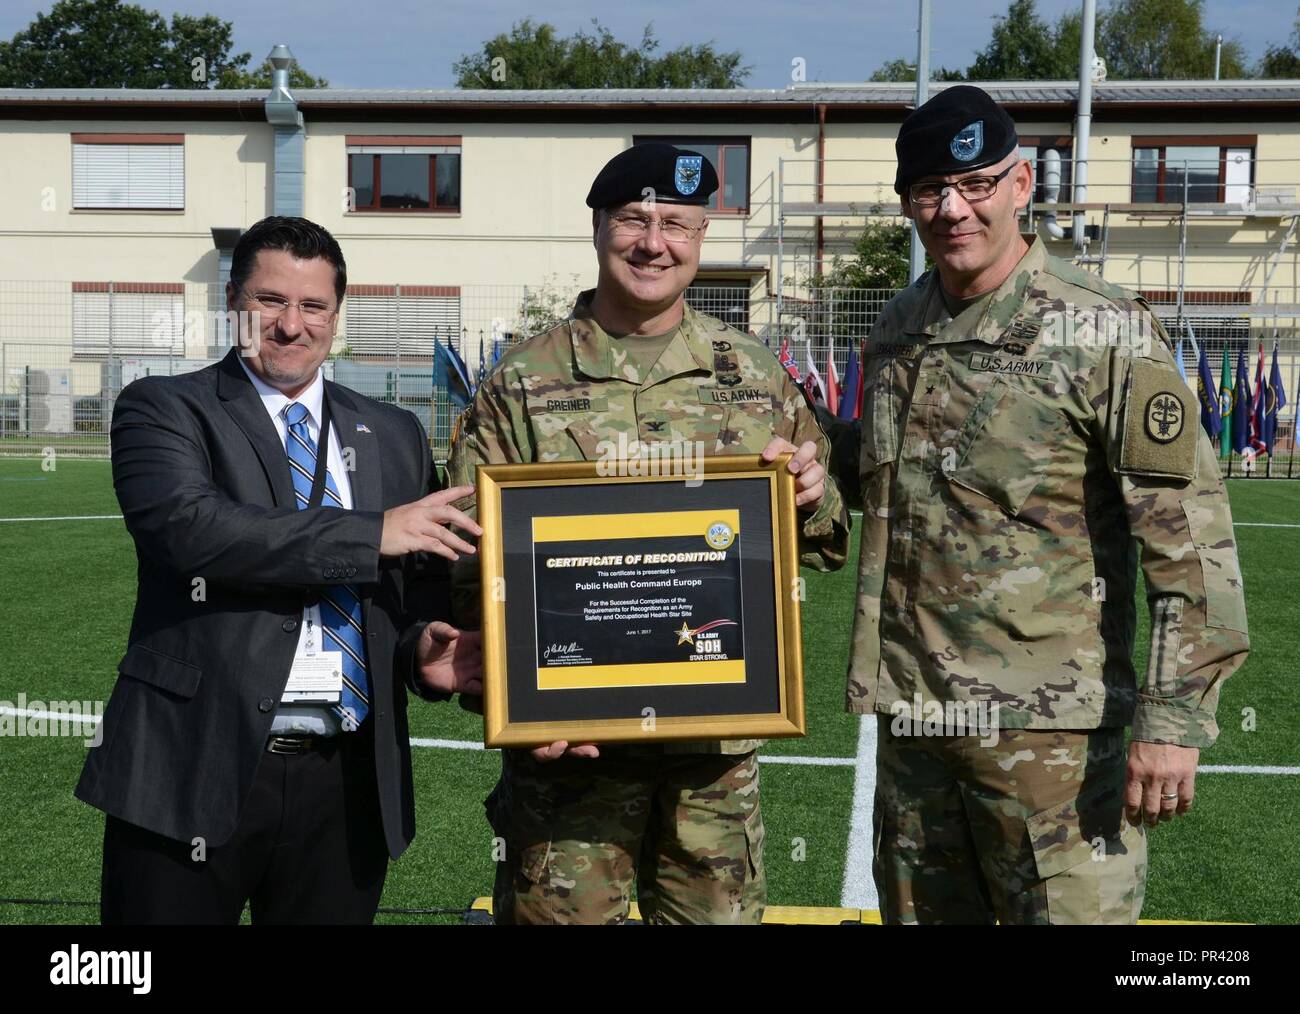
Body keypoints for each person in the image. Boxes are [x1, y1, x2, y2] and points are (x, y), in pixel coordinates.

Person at [844, 86, 1249, 924]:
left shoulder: (1103, 329)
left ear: (1022, 184)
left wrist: (1172, 721)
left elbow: (1191, 542)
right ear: (907, 201)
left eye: (976, 184)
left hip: (1053, 743)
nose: (953, 209)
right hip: (917, 734)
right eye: (930, 190)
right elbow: (886, 478)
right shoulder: (899, 326)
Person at [448, 143, 850, 924]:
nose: (653, 243)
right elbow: (471, 562)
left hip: (713, 762)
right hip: (571, 759)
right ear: (599, 227)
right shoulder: (521, 382)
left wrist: (810, 497)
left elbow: (823, 536)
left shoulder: (755, 375)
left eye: (677, 225)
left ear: (701, 238)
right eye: (634, 219)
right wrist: (516, 693)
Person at [77, 216, 484, 924]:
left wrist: (419, 648)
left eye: (313, 305)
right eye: (270, 300)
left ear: (336, 313)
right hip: (193, 762)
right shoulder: (164, 407)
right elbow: (193, 531)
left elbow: (412, 585)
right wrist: (371, 532)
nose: (292, 325)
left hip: (348, 779)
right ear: (233, 301)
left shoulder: (393, 431)